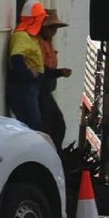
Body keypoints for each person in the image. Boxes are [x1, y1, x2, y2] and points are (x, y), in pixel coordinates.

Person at [7, 1, 46, 131]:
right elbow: (16, 57)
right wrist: (29, 74)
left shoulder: (30, 36)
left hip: (30, 86)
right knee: (32, 124)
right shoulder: (22, 36)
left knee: (35, 123)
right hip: (24, 86)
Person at [37, 9, 72, 150]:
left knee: (58, 125)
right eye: (51, 28)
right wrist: (59, 72)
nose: (54, 31)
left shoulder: (47, 42)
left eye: (55, 28)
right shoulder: (38, 44)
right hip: (39, 92)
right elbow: (40, 70)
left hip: (45, 92)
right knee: (51, 127)